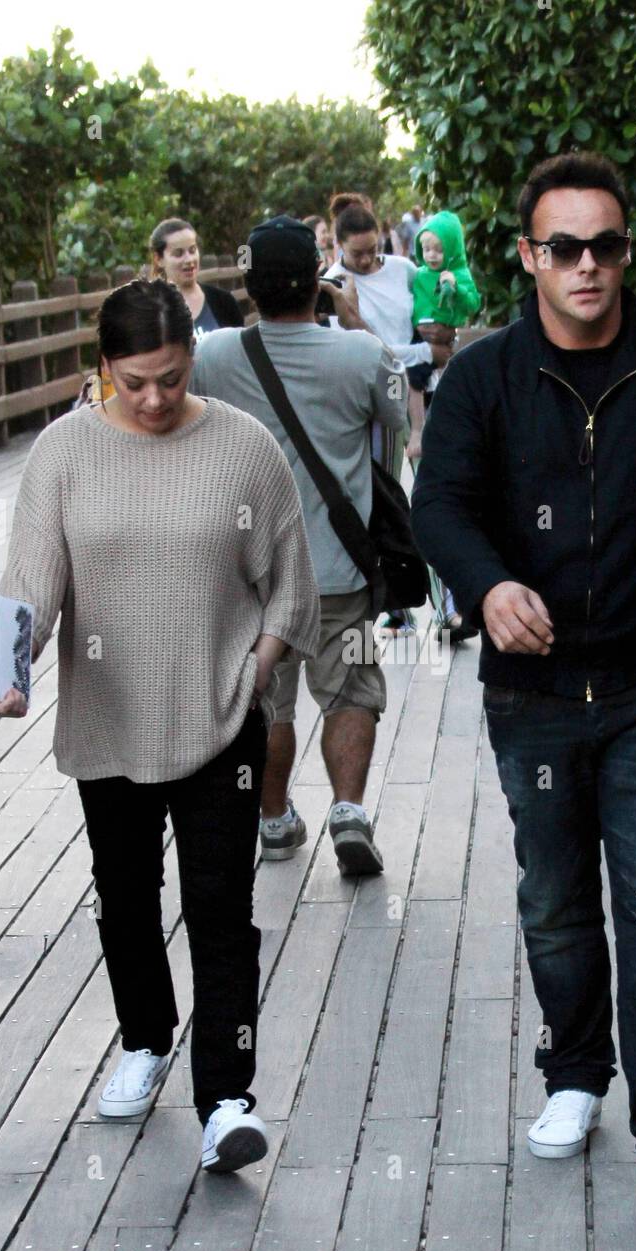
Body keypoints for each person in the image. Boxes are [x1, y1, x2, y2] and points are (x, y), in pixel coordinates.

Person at [410, 152, 636, 1204]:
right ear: (527, 257)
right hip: (533, 697)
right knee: (556, 905)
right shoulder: (482, 378)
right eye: (564, 247)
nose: (588, 266)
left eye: (606, 244)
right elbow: (439, 509)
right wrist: (486, 585)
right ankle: (574, 1072)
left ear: (625, 251)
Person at [0, 277, 319, 1174]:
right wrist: (9, 673)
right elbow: (30, 576)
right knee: (124, 897)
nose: (157, 398)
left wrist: (261, 665)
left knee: (221, 909)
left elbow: (290, 575)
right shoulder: (64, 454)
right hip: (110, 717)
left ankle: (227, 1098)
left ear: (190, 358)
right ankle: (144, 1039)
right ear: (105, 370)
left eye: (171, 377)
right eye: (136, 382)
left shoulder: (243, 448)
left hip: (219, 717)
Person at [192, 216, 408, 875]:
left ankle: (275, 820)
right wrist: (353, 318)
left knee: (267, 701)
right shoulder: (361, 356)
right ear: (317, 280)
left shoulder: (214, 355)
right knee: (351, 691)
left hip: (251, 574)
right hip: (340, 567)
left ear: (250, 287)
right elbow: (398, 415)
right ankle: (349, 810)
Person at [327, 197, 453, 633]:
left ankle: (447, 606)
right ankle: (396, 600)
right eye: (356, 253)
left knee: (434, 496)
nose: (366, 259)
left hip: (419, 392)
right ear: (338, 246)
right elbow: (358, 349)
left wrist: (439, 337)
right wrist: (422, 351)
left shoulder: (403, 270)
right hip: (370, 407)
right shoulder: (333, 285)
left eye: (371, 249)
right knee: (385, 500)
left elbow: (435, 315)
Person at [406, 211, 483, 640]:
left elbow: (470, 307)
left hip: (444, 369)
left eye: (438, 248)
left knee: (453, 500)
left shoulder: (458, 275)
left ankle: (457, 603)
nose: (432, 255)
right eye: (426, 248)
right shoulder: (413, 277)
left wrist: (454, 292)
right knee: (427, 503)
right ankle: (440, 607)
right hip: (418, 368)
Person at [148, 217, 244, 341]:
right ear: (158, 259)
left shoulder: (225, 302)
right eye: (178, 253)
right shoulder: (149, 311)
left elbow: (240, 353)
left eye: (192, 250)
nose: (189, 260)